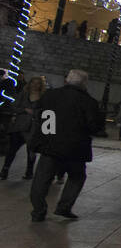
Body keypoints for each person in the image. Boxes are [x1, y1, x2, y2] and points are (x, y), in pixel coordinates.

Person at [29, 69, 100, 222]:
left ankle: (38, 210)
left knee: (41, 180)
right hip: (75, 147)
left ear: (67, 80)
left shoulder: (50, 95)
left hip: (49, 144)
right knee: (77, 177)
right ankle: (64, 206)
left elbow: (39, 114)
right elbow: (95, 126)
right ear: (84, 84)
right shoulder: (88, 102)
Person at [1, 76, 44, 180]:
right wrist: (24, 110)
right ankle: (4, 171)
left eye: (37, 83)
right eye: (33, 82)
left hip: (33, 128)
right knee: (12, 150)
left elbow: (45, 111)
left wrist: (36, 113)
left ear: (40, 85)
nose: (34, 85)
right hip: (19, 127)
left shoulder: (43, 97)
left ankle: (29, 172)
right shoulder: (23, 94)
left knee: (31, 152)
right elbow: (14, 106)